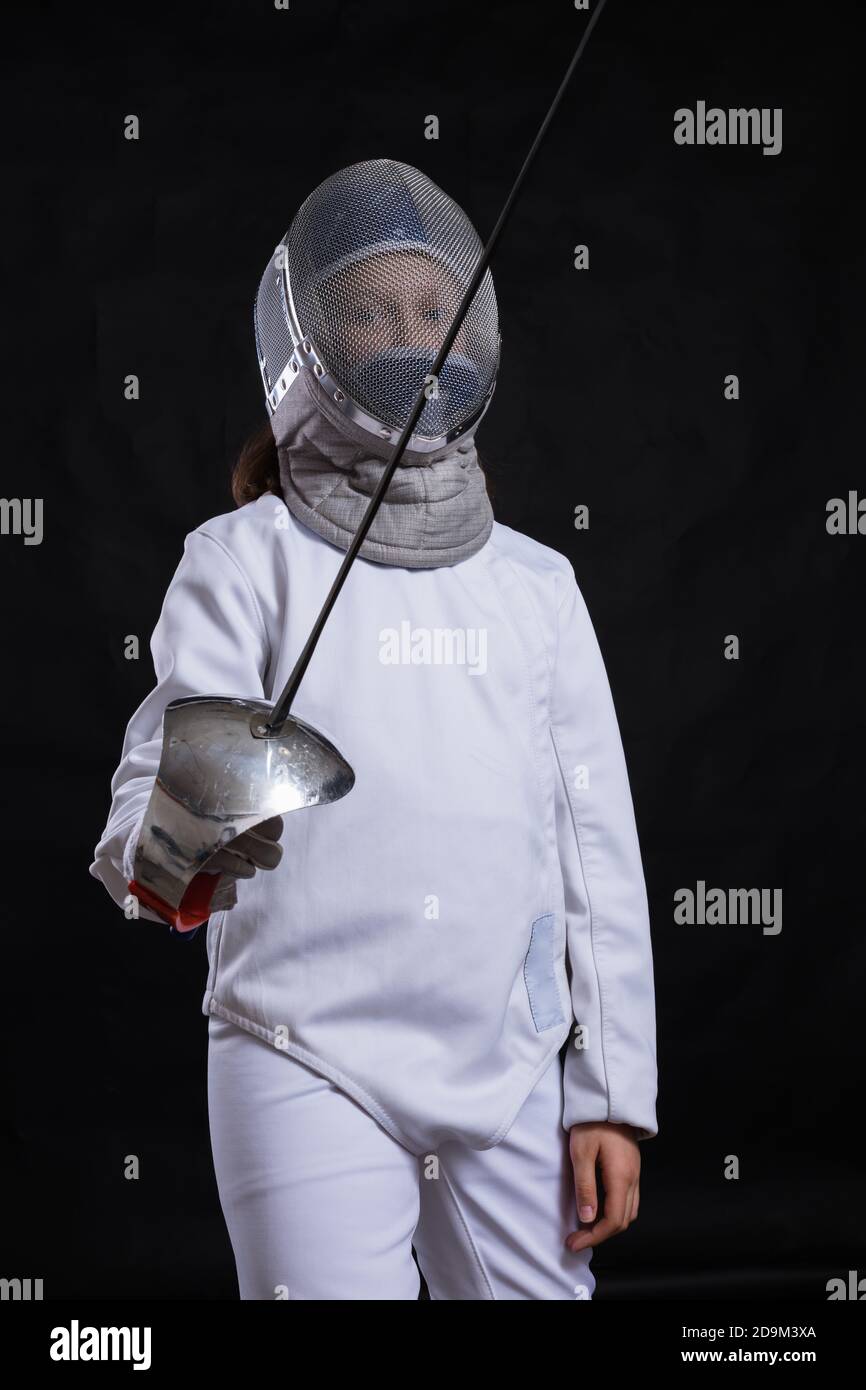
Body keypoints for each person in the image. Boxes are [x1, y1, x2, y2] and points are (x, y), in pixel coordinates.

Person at [90, 159, 659, 1300]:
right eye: (368, 311)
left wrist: (606, 1094)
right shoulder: (241, 560)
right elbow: (168, 752)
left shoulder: (535, 584)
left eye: (429, 310)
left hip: (505, 1071)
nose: (407, 335)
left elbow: (593, 850)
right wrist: (175, 835)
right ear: (309, 341)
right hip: (302, 1054)